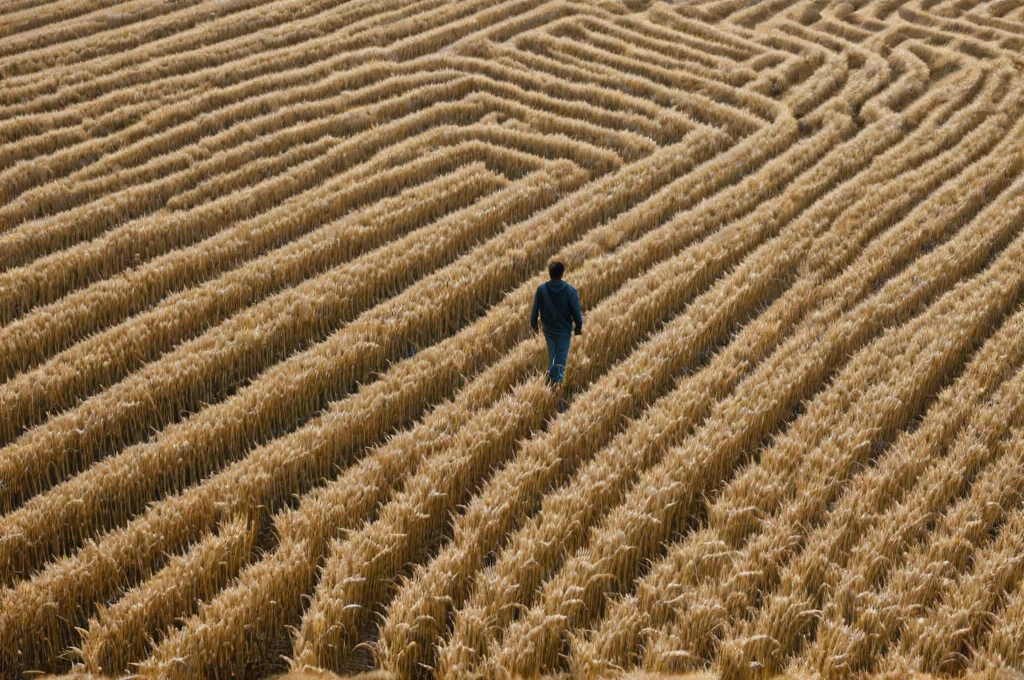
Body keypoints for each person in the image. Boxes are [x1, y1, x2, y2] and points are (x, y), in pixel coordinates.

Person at [530, 261, 583, 386]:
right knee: (561, 355)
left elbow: (534, 312)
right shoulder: (570, 291)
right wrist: (578, 327)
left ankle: (552, 378)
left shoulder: (541, 290)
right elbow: (576, 312)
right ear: (562, 273)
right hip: (564, 330)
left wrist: (535, 327)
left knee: (553, 351)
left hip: (548, 329)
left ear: (549, 273)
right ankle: (555, 381)